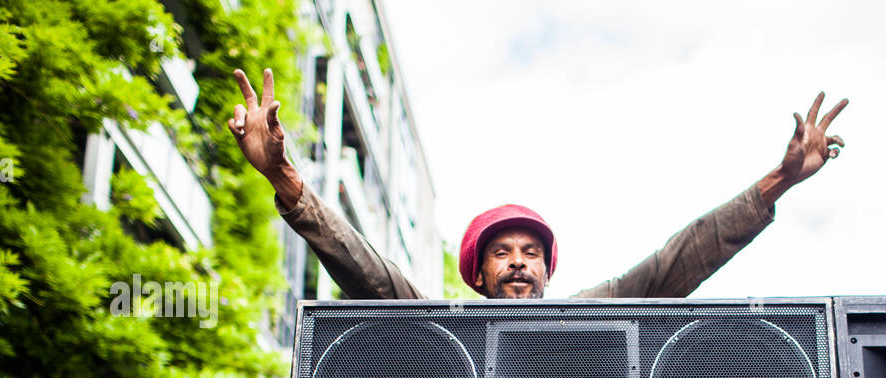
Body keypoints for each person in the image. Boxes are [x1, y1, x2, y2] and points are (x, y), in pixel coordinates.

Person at [227, 68, 847, 300]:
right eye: (502, 253)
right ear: (477, 274)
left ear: (548, 269)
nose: (518, 263)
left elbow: (677, 261)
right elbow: (364, 269)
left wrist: (777, 182)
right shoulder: (445, 335)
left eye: (529, 253)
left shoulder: (591, 318)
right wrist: (283, 176)